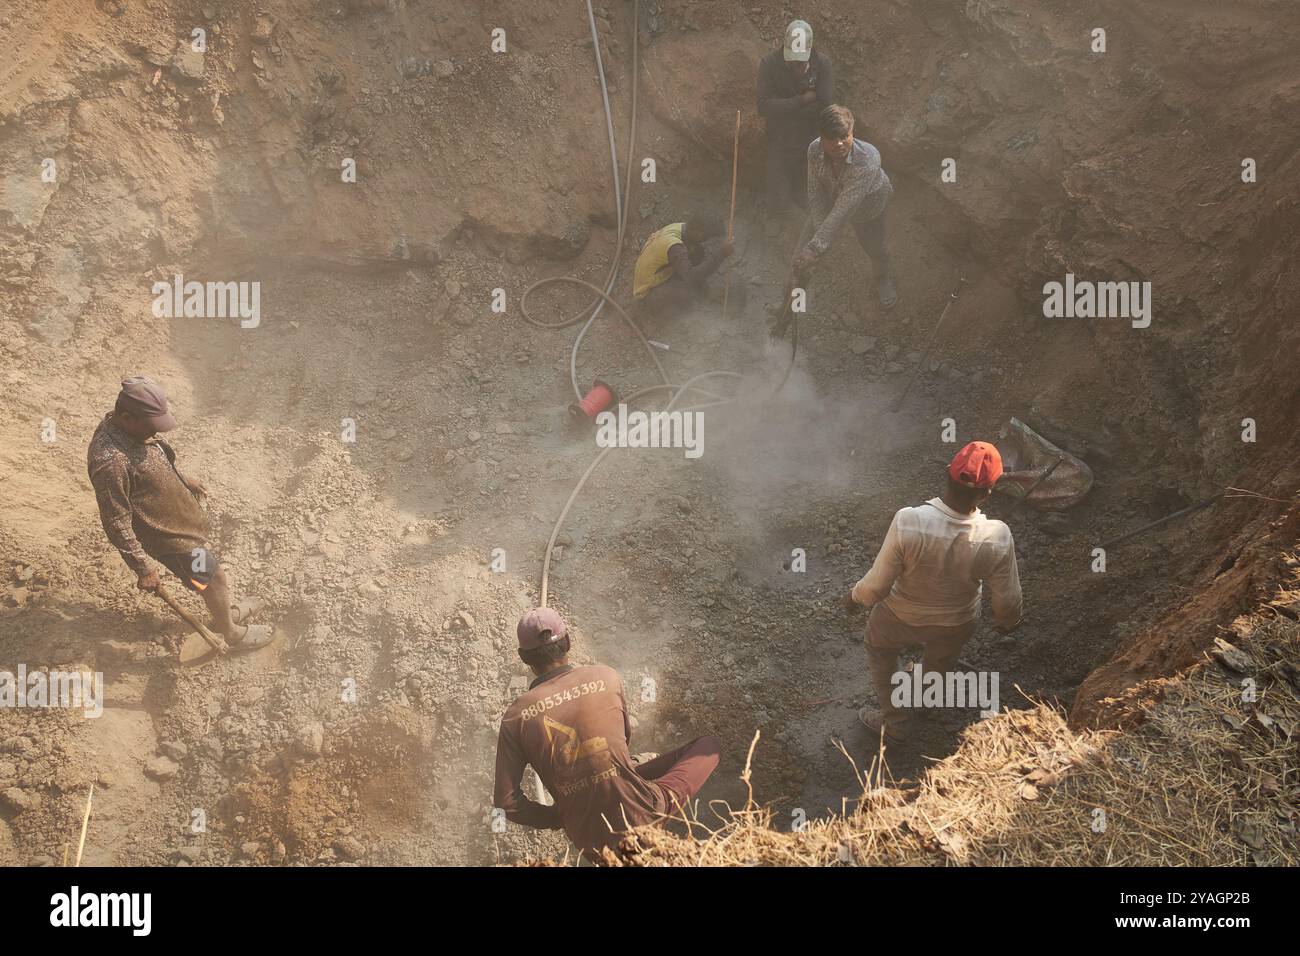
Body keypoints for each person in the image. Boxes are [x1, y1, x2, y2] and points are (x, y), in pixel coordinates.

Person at [493, 607, 721, 860]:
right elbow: (622, 746)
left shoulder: (515, 716)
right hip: (643, 813)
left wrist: (560, 816)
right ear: (568, 642)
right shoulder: (606, 676)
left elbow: (507, 802)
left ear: (523, 657)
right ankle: (655, 796)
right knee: (708, 745)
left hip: (588, 836)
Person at [842, 441, 1022, 743]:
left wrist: (853, 598)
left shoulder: (909, 520)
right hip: (956, 622)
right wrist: (1007, 624)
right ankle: (926, 700)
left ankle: (895, 722)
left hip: (898, 615)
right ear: (987, 492)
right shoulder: (997, 536)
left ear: (946, 475)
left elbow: (876, 587)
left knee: (880, 649)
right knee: (940, 661)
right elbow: (1007, 601)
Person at [87, 376, 275, 651]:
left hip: (178, 520)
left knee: (212, 577)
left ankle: (225, 611)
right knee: (213, 579)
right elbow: (115, 521)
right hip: (168, 538)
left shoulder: (128, 429)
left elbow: (149, 463)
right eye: (152, 426)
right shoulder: (110, 461)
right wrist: (143, 568)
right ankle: (231, 632)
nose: (155, 433)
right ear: (127, 417)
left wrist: (182, 478)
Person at [794, 104, 898, 309]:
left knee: (874, 247)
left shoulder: (867, 161)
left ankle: (883, 278)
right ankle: (789, 299)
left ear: (853, 132)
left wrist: (816, 248)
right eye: (832, 139)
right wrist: (816, 234)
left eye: (845, 136)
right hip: (832, 194)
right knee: (799, 253)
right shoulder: (814, 150)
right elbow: (815, 193)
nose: (839, 143)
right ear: (821, 137)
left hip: (868, 207)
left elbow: (844, 210)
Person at [756, 19, 834, 228]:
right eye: (791, 62)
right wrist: (802, 100)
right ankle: (791, 228)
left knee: (806, 194)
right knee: (777, 202)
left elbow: (825, 106)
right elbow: (763, 106)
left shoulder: (822, 63)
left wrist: (785, 108)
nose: (795, 67)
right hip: (779, 138)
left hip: (810, 137)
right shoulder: (769, 64)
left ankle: (808, 228)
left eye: (800, 63)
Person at [631, 213, 735, 319]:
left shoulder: (682, 228)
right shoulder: (674, 247)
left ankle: (698, 291)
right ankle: (657, 310)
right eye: (706, 237)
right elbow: (693, 278)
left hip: (659, 272)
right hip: (648, 291)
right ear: (699, 233)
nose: (706, 240)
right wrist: (721, 255)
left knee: (697, 252)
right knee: (687, 293)